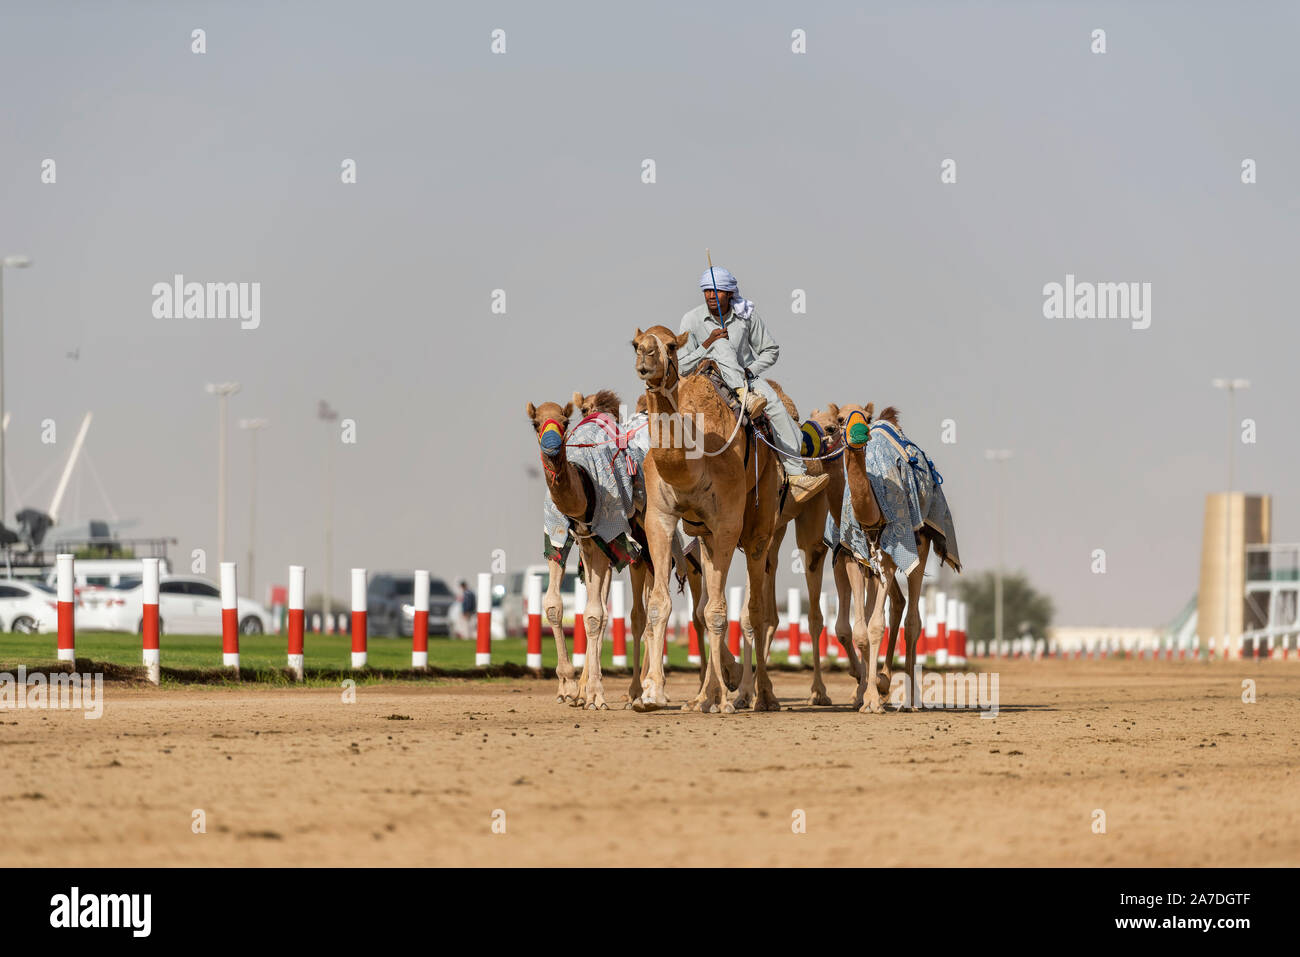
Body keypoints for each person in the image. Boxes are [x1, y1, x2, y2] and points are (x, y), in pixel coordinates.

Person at [677, 266, 828, 503]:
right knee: (719, 348)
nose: (711, 296)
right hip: (705, 381)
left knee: (777, 408)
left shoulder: (746, 316)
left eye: (717, 291)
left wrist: (749, 370)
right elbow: (682, 365)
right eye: (707, 290)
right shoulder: (691, 320)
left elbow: (770, 349)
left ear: (729, 293)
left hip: (748, 379)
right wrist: (708, 343)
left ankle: (797, 476)